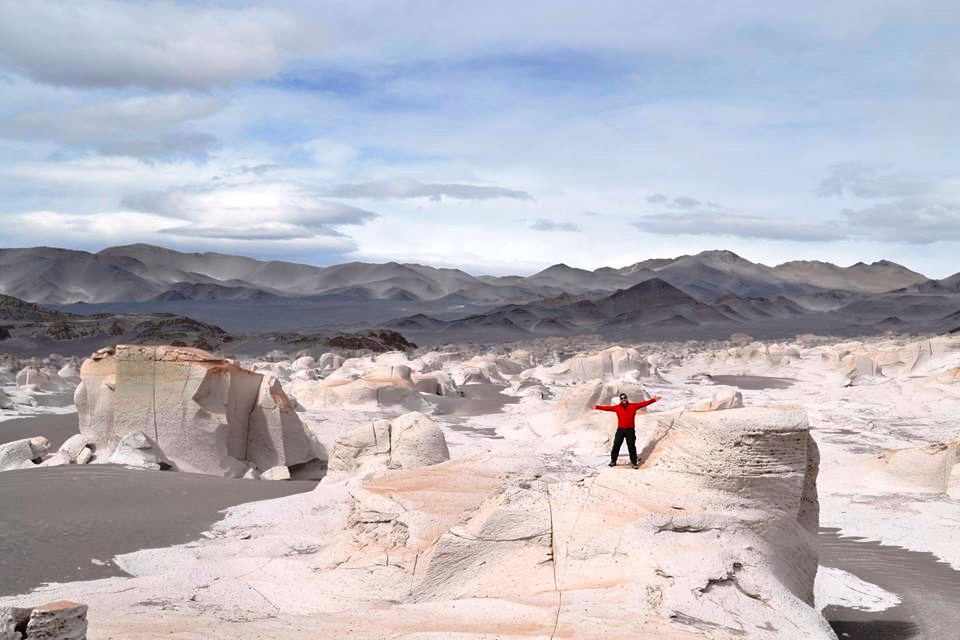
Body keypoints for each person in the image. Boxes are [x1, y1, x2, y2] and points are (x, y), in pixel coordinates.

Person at [594, 393, 662, 468]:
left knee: (631, 446)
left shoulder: (633, 406)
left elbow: (644, 403)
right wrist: (597, 407)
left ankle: (634, 462)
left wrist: (653, 400)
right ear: (620, 400)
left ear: (627, 398)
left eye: (624, 398)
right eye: (622, 398)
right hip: (620, 430)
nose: (623, 399)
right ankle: (613, 461)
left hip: (630, 430)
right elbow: (607, 408)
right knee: (616, 445)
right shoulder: (617, 408)